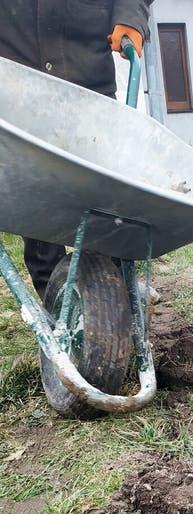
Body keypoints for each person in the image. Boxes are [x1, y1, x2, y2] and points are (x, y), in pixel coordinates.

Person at [0, 1, 153, 299]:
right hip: (15, 84)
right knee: (37, 211)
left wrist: (131, 15)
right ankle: (56, 304)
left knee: (105, 207)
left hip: (87, 83)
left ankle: (114, 293)